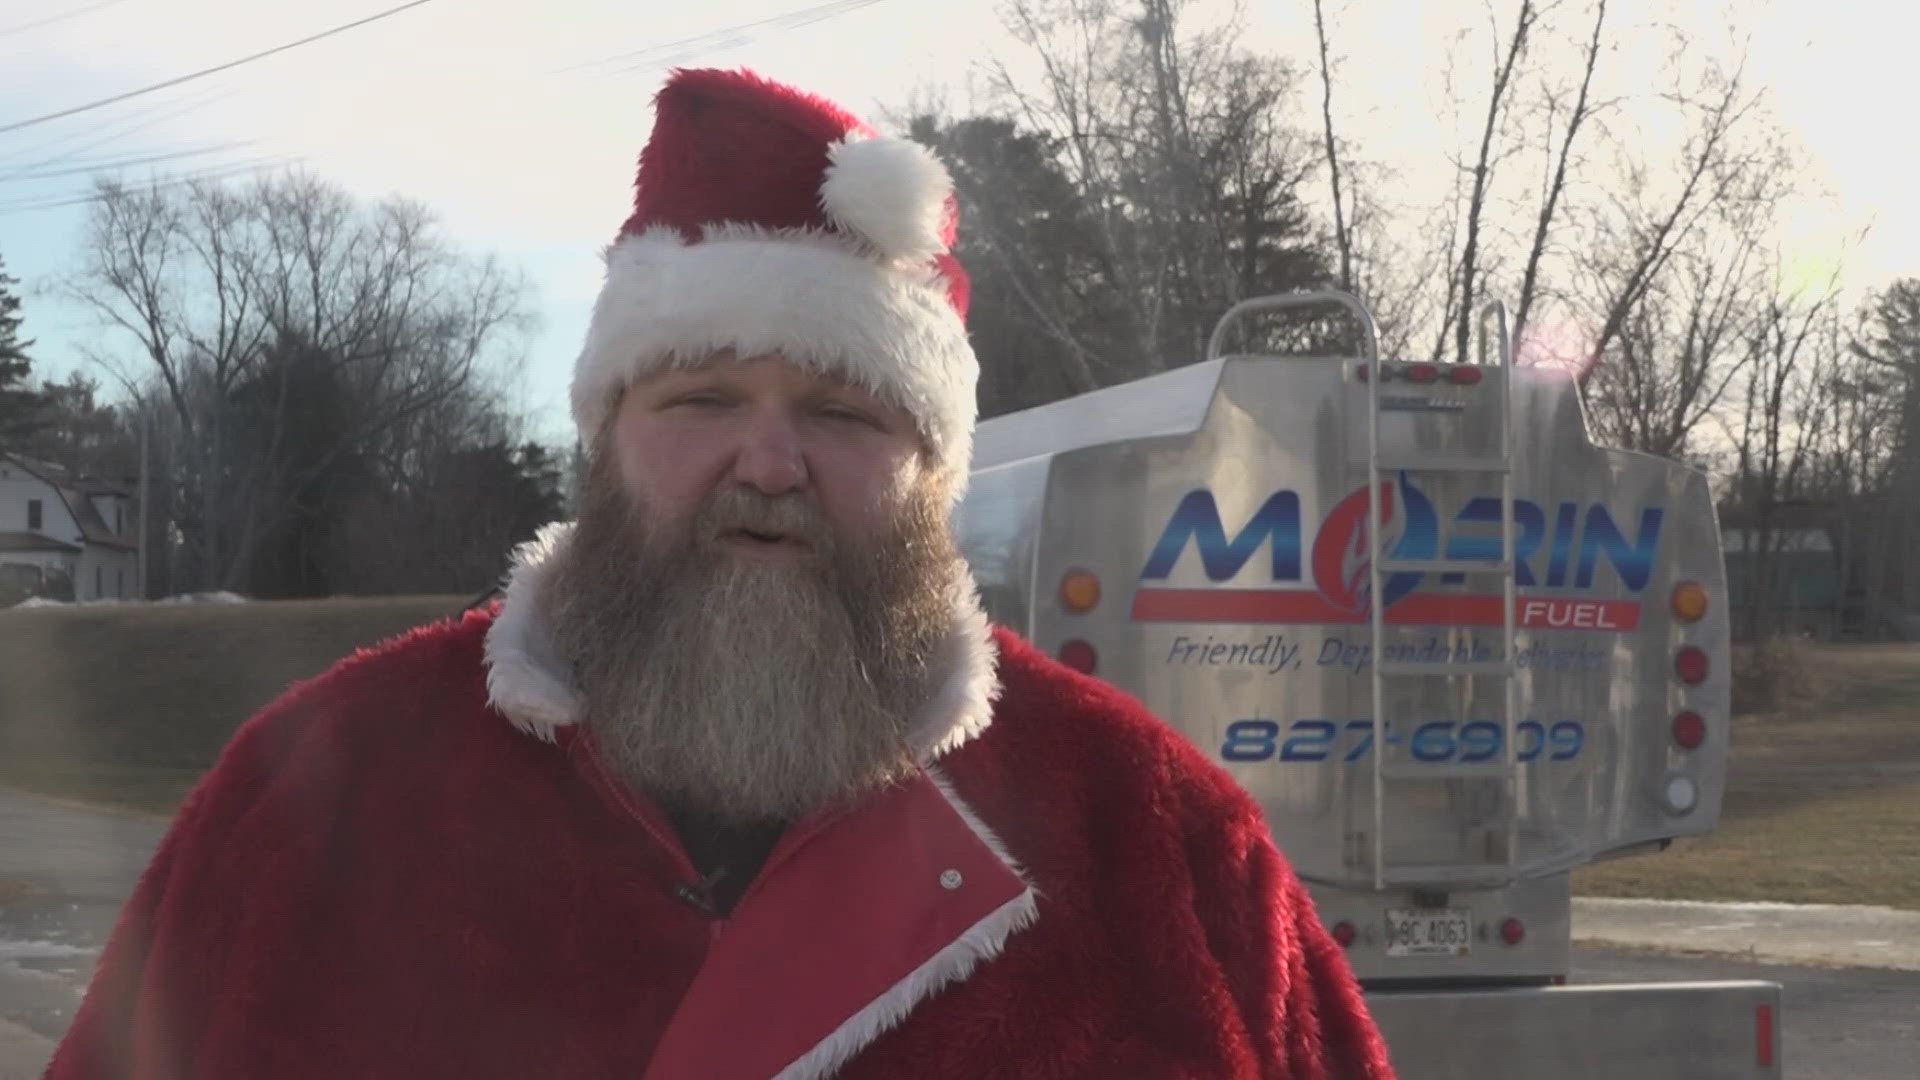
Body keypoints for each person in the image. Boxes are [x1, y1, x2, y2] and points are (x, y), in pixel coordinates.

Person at [46, 68, 1393, 1080]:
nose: (770, 462)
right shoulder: (312, 807)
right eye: (699, 400)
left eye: (848, 414)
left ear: (932, 471)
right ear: (606, 442)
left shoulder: (1157, 844)